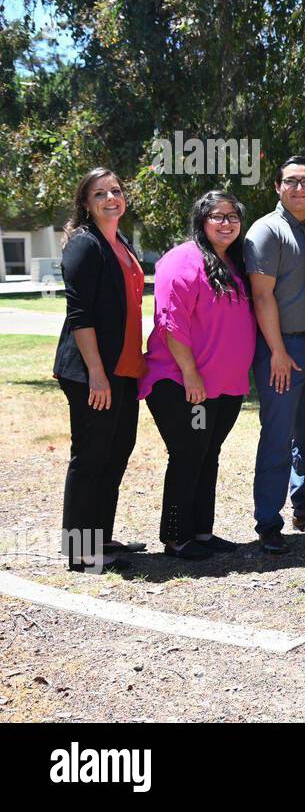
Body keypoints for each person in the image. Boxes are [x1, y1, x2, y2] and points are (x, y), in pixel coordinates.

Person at [140, 191, 256, 560]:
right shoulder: (181, 260)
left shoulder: (235, 262)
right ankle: (176, 537)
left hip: (226, 386)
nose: (227, 223)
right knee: (188, 454)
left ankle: (201, 532)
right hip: (183, 384)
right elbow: (171, 323)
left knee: (209, 454)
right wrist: (191, 376)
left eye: (233, 216)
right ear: (201, 221)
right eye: (218, 216)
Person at [244, 156, 305, 553]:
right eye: (291, 182)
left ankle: (304, 504)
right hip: (282, 348)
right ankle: (268, 521)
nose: (299, 188)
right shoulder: (266, 231)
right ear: (277, 187)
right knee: (277, 436)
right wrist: (277, 352)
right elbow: (261, 295)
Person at [52, 168, 147, 572]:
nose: (111, 198)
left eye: (116, 190)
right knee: (91, 456)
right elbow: (80, 315)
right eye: (100, 193)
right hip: (93, 372)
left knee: (116, 451)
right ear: (86, 203)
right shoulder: (84, 246)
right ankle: (79, 550)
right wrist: (96, 373)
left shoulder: (120, 242)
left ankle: (101, 537)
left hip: (124, 368)